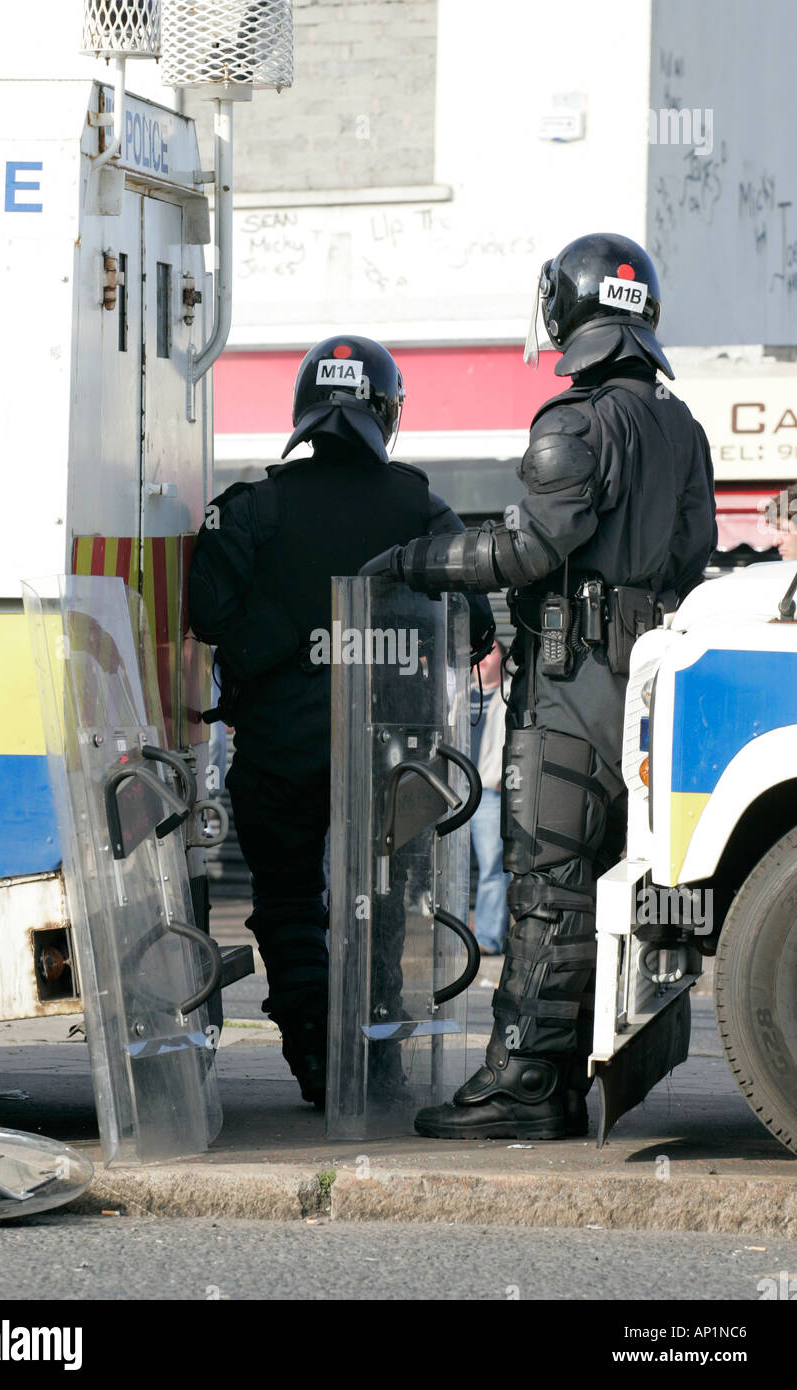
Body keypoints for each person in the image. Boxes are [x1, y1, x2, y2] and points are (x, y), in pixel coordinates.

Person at [363, 233, 718, 1140]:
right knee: (606, 892)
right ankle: (561, 1082)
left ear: (571, 308)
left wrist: (414, 559)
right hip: (644, 694)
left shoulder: (575, 423)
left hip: (565, 693)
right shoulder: (682, 428)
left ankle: (523, 1084)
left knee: (547, 892)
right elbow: (688, 561)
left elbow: (524, 550)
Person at [188, 334, 494, 1108]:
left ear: (304, 411)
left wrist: (284, 638)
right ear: (386, 413)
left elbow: (205, 612)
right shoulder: (425, 507)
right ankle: (379, 1066)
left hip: (281, 749)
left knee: (290, 905)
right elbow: (479, 626)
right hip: (393, 755)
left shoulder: (251, 508)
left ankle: (320, 1064)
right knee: (388, 907)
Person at [469, 641, 512, 956]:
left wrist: (502, 779)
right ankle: (454, 934)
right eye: (479, 652)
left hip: (487, 793)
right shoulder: (460, 693)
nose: (483, 657)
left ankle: (487, 938)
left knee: (492, 868)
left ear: (503, 658)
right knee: (448, 870)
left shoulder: (509, 694)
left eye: (491, 650)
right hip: (454, 794)